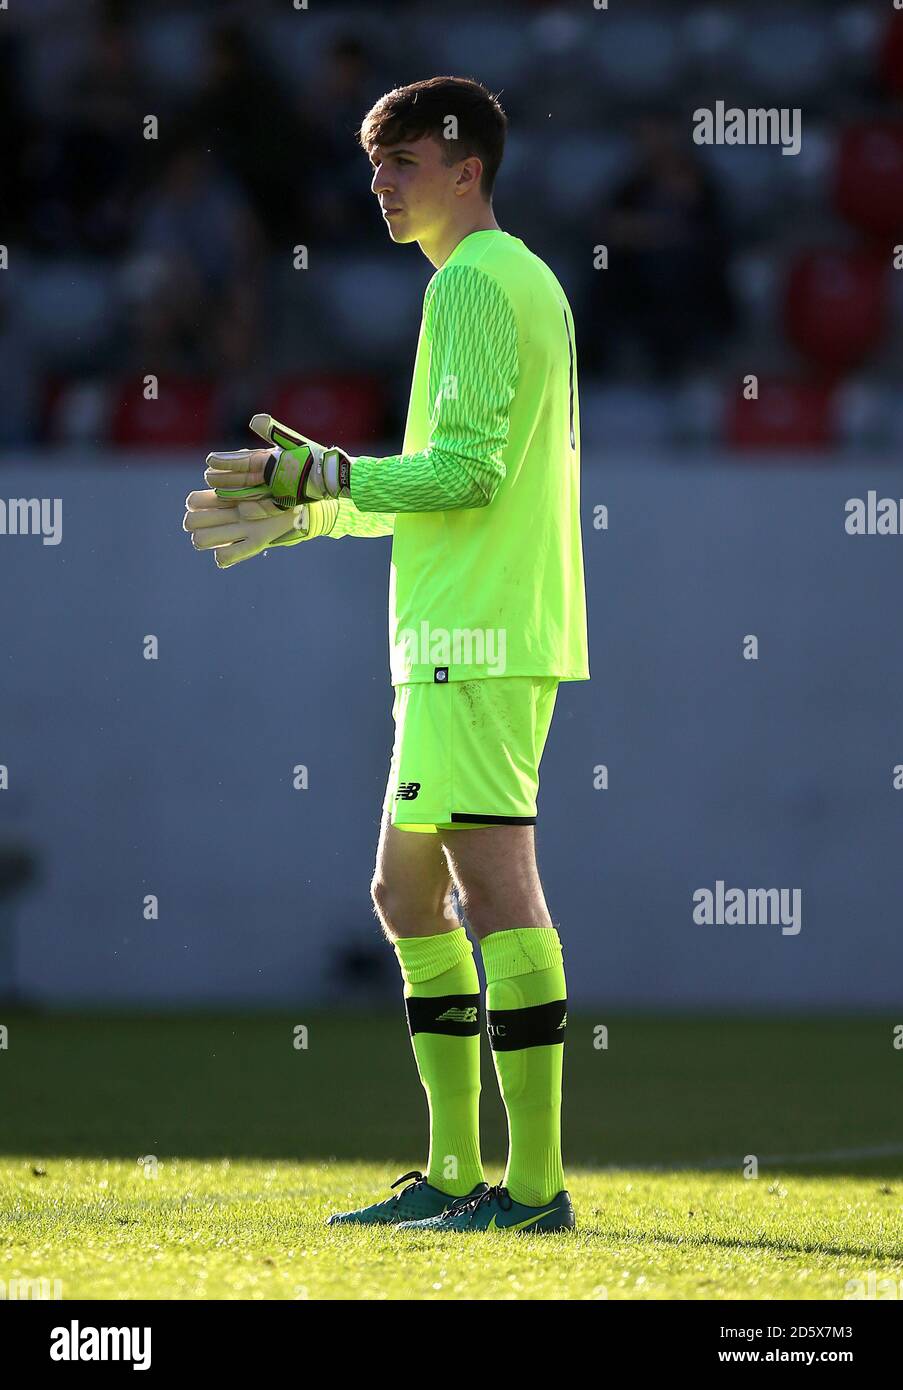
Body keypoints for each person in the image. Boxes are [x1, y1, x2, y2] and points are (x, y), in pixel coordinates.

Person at [185, 75, 590, 1235]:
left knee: (495, 889)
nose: (380, 185)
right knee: (406, 892)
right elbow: (443, 481)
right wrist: (320, 500)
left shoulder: (472, 282)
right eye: (375, 165)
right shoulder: (521, 282)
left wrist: (335, 479)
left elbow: (462, 477)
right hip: (472, 632)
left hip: (474, 636)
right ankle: (458, 1173)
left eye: (402, 163)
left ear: (469, 171)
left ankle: (531, 1189)